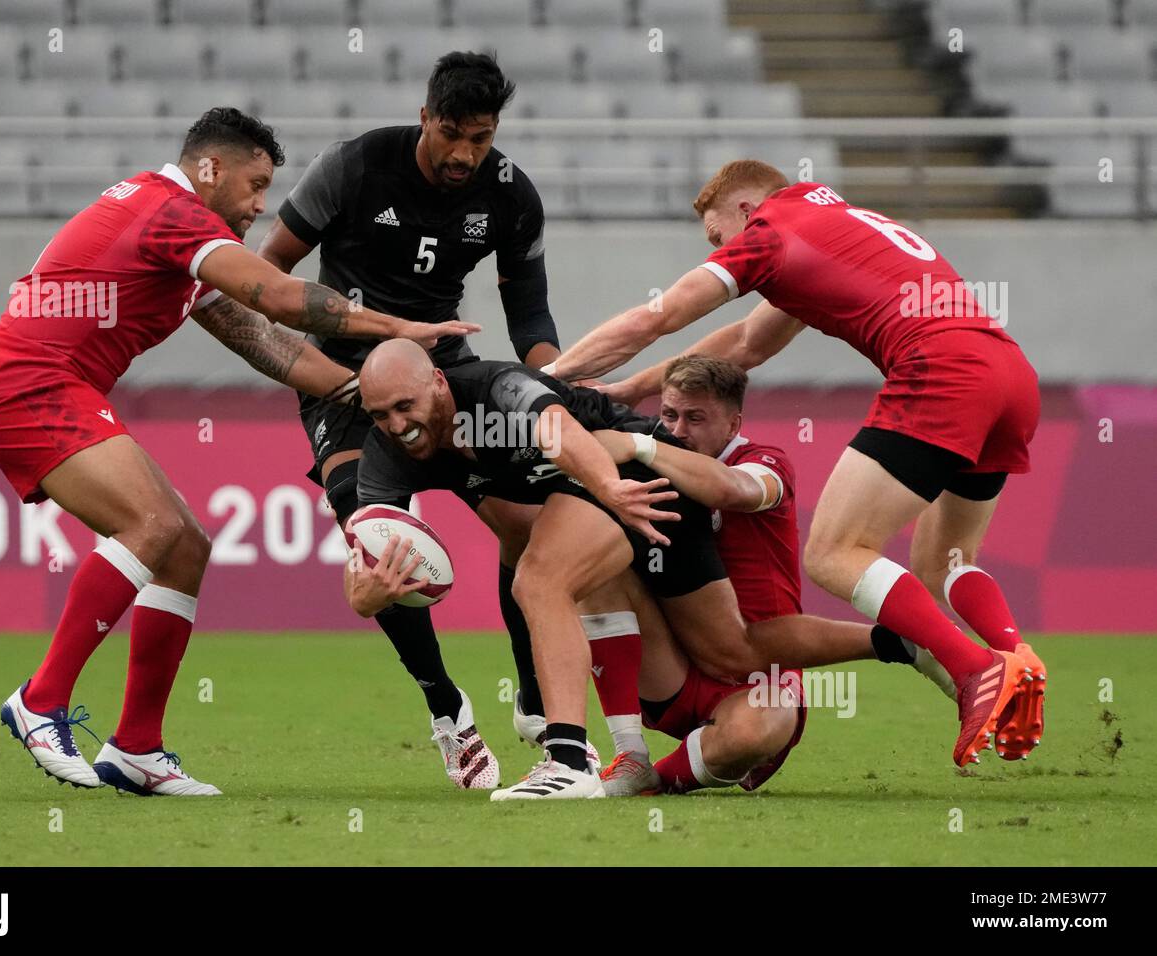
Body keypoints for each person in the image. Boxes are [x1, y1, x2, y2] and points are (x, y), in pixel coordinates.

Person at [0, 108, 469, 796]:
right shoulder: (171, 212)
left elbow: (269, 342)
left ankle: (137, 748)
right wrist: (395, 328)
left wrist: (372, 393)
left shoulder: (173, 235)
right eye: (254, 185)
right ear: (210, 167)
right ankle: (42, 699)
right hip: (30, 387)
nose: (260, 206)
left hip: (56, 386)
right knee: (153, 527)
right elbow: (285, 299)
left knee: (185, 547)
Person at [544, 160, 1045, 768]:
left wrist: (540, 382)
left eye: (716, 234)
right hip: (1008, 373)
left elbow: (657, 318)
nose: (722, 251)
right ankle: (1011, 653)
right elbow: (746, 345)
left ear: (747, 211)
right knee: (945, 562)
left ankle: (971, 671)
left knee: (835, 552)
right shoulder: (837, 225)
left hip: (941, 372)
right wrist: (629, 392)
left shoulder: (771, 231)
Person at [253, 52, 564, 787]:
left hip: (448, 376)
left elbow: (529, 312)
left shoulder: (513, 194)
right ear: (425, 115)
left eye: (480, 139)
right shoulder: (355, 166)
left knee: (526, 524)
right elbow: (270, 279)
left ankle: (531, 692)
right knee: (378, 543)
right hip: (347, 380)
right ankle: (447, 709)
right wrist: (323, 368)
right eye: (451, 132)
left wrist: (553, 384)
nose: (464, 154)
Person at [348, 340, 768, 800]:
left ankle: (572, 762)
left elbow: (559, 432)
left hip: (635, 471)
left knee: (732, 657)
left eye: (405, 406)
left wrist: (609, 486)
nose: (397, 425)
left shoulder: (498, 389)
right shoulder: (388, 451)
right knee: (545, 579)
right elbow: (369, 539)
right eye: (380, 414)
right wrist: (363, 597)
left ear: (439, 383)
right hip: (587, 490)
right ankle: (600, 758)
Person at [578, 355, 953, 796]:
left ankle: (658, 778)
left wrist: (641, 446)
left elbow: (734, 489)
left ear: (734, 423)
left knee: (753, 732)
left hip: (758, 671)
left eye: (696, 418)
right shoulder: (650, 459)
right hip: (672, 666)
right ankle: (628, 754)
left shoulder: (765, 463)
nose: (678, 430)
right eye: (669, 414)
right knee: (593, 563)